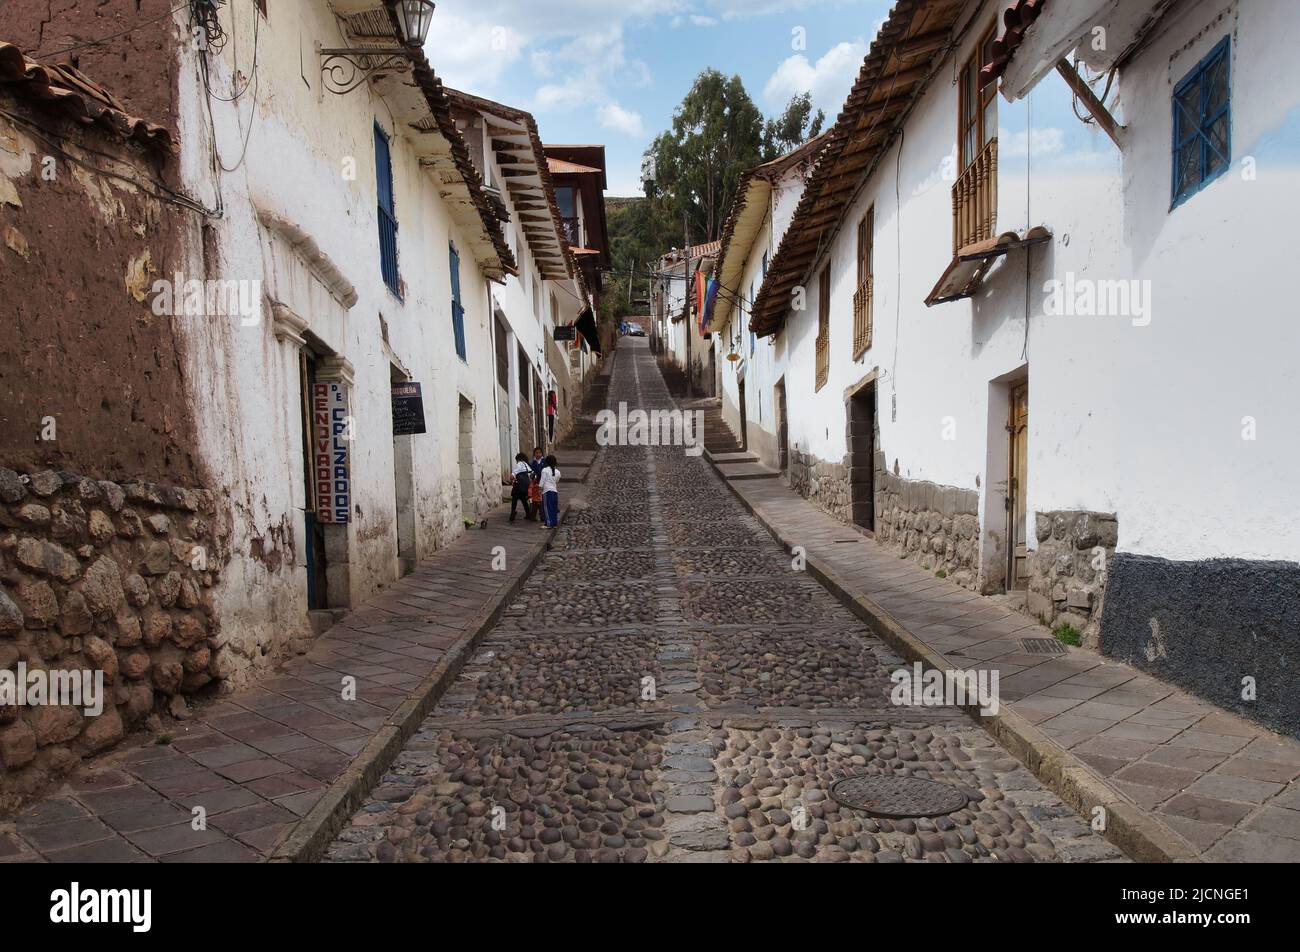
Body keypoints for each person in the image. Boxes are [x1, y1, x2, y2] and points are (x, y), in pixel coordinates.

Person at [508, 453, 533, 522]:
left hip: (519, 485)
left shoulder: (519, 464)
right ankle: (528, 514)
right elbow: (532, 475)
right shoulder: (527, 465)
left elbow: (512, 475)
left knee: (514, 498)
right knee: (523, 499)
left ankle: (513, 512)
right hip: (526, 485)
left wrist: (511, 479)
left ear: (518, 459)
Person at [538, 455, 561, 528]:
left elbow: (542, 482)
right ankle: (554, 523)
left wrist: (539, 489)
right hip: (554, 492)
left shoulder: (544, 470)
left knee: (547, 508)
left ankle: (548, 524)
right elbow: (557, 481)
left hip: (547, 491)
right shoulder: (557, 472)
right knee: (554, 508)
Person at [527, 447, 544, 519]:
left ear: (542, 454)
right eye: (536, 453)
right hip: (535, 483)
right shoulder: (532, 463)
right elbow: (530, 473)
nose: (538, 454)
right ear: (534, 454)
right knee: (534, 500)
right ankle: (533, 515)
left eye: (539, 453)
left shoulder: (544, 462)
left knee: (542, 500)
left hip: (542, 483)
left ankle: (542, 515)